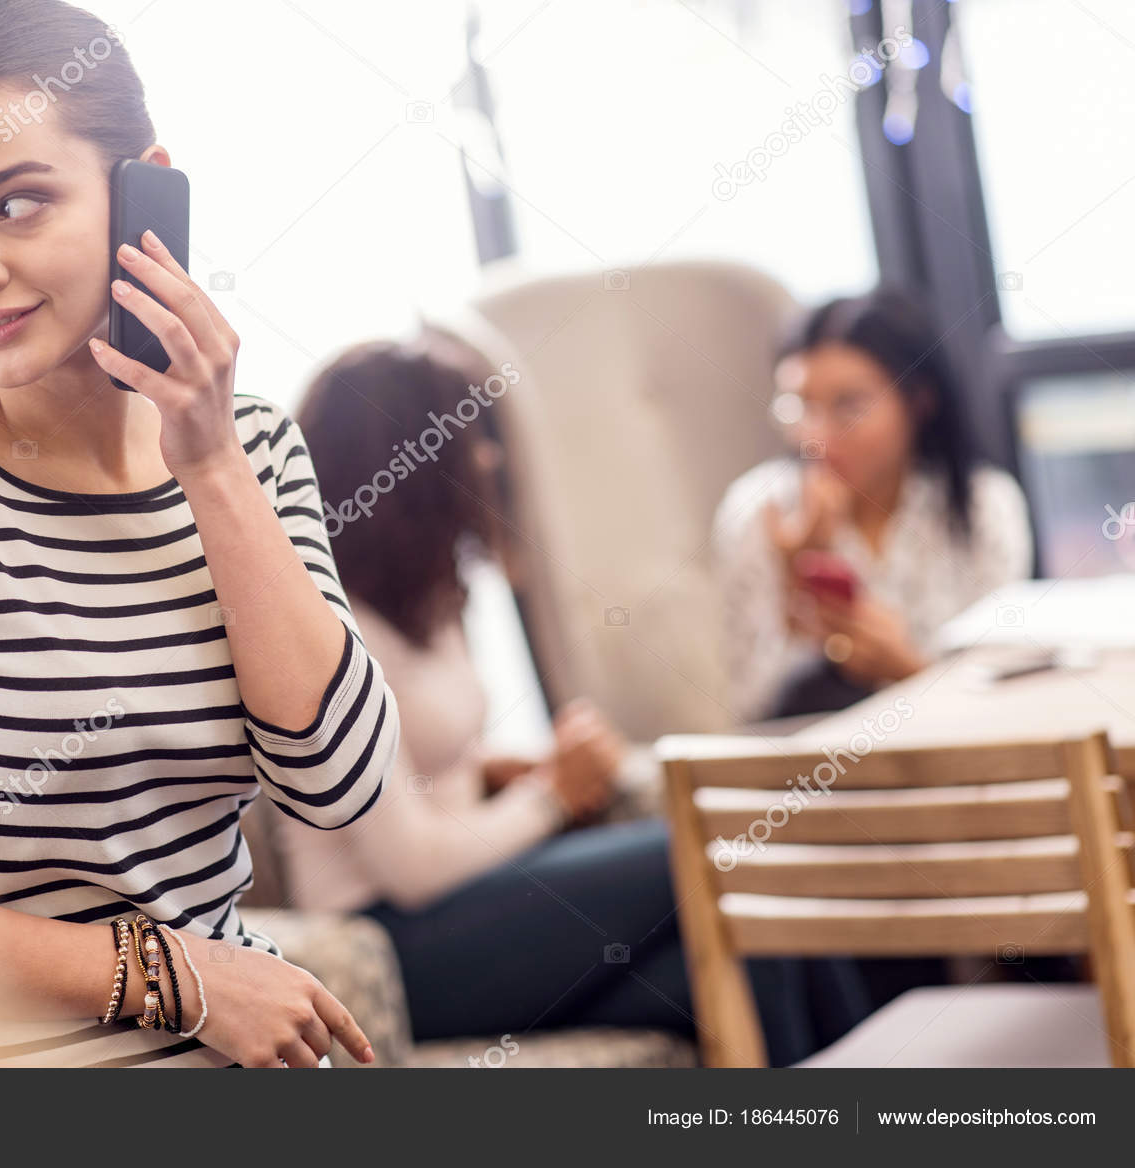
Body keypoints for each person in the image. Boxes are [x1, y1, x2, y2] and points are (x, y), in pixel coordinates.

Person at [0, 0, 397, 1069]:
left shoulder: (251, 451)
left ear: (142, 189)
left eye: (15, 204)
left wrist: (206, 465)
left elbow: (337, 781)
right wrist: (175, 974)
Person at [275, 334, 868, 1064]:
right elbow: (411, 865)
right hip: (398, 943)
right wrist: (556, 795)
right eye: (472, 442)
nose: (489, 462)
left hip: (476, 899)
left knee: (741, 960)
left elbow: (409, 760)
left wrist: (507, 770)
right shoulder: (322, 628)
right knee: (727, 841)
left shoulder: (429, 600)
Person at [713, 287, 1033, 722]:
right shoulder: (758, 512)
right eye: (800, 406)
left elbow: (1005, 703)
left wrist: (906, 669)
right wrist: (793, 583)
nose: (817, 437)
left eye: (849, 406)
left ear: (918, 400)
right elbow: (753, 714)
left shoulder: (981, 505)